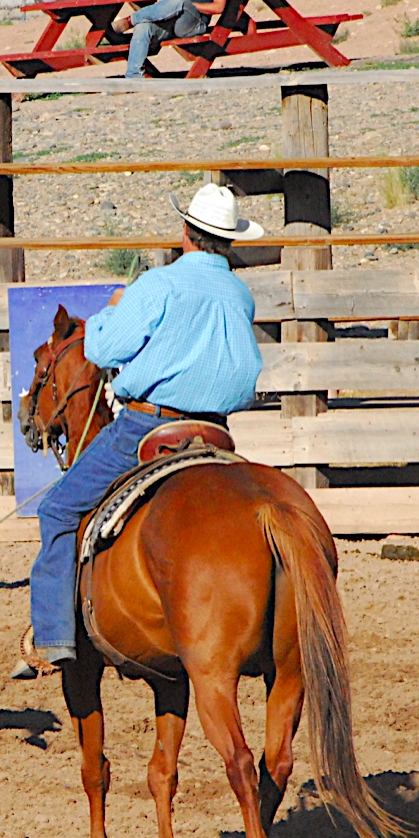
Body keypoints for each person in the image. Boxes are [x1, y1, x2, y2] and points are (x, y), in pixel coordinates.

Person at [27, 183, 264, 667]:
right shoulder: (240, 294)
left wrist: (115, 308)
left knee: (57, 509)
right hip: (215, 434)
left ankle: (52, 637)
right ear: (231, 240)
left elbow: (101, 351)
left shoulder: (159, 285)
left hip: (148, 428)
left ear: (186, 234)